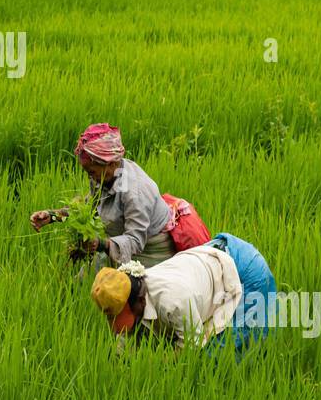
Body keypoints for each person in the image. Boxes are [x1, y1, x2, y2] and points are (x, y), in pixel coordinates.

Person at [30, 123, 210, 269]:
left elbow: (135, 240)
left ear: (109, 163)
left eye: (91, 171)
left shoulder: (135, 192)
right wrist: (53, 216)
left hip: (149, 250)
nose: (88, 176)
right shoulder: (102, 177)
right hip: (116, 242)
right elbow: (88, 210)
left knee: (129, 296)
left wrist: (100, 244)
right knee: (85, 284)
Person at [91, 243, 242, 350]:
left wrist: (160, 364)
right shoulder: (133, 289)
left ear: (134, 304)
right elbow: (126, 340)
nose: (112, 326)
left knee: (216, 356)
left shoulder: (173, 301)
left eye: (116, 316)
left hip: (233, 272)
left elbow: (193, 344)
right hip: (200, 259)